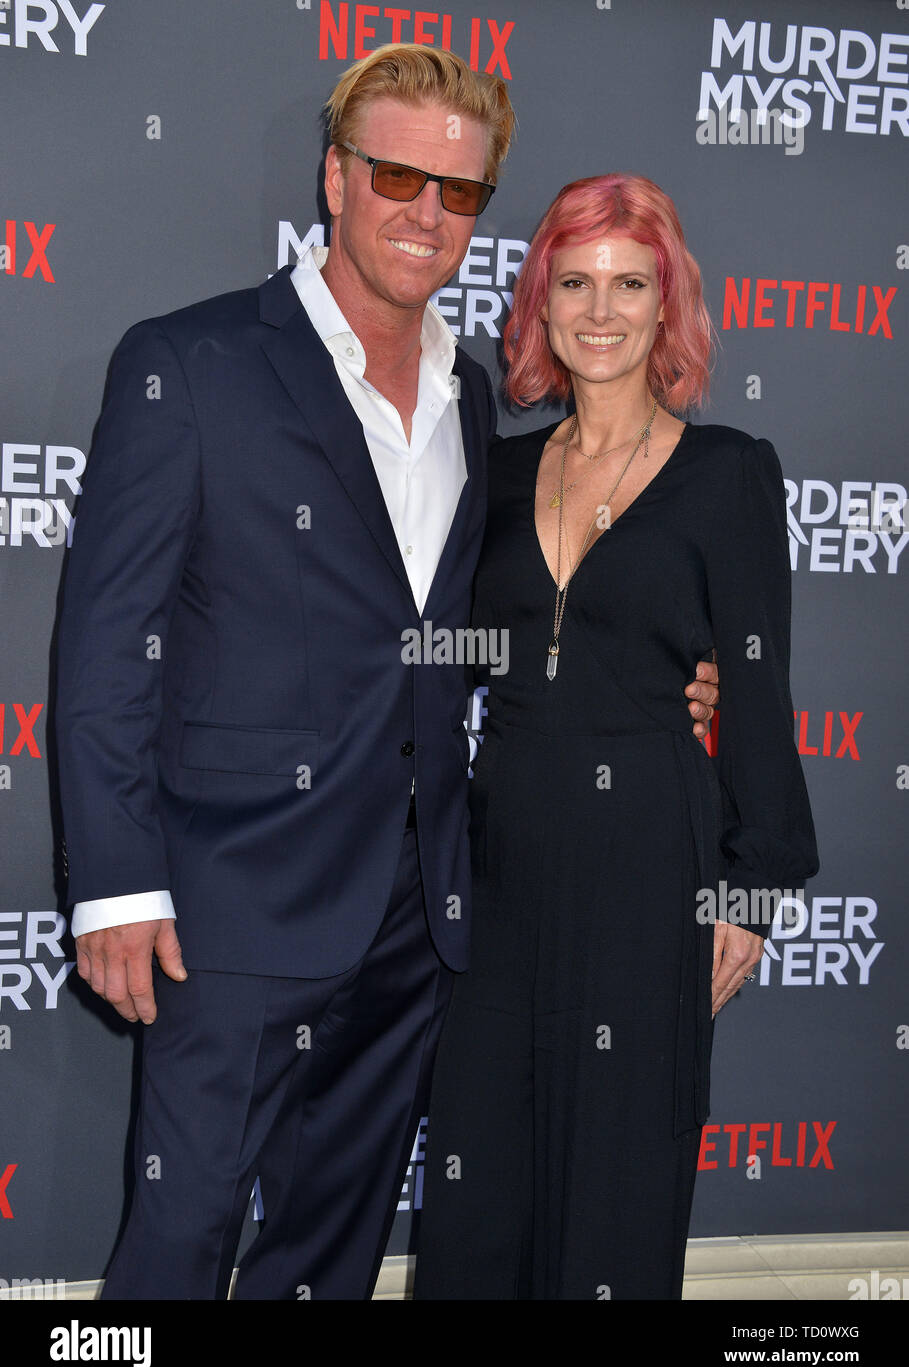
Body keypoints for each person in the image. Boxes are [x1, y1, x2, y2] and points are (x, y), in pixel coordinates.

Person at [55, 45, 716, 1300]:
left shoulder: (471, 395)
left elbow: (450, 635)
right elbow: (103, 642)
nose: (426, 214)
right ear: (335, 177)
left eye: (459, 193)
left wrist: (662, 679)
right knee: (177, 1245)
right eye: (398, 177)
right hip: (224, 907)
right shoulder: (190, 365)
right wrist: (115, 885)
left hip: (418, 915)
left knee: (333, 1250)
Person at [414, 174, 819, 1301]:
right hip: (502, 856)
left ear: (668, 303)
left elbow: (755, 681)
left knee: (618, 1187)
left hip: (653, 855)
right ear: (539, 303)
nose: (603, 310)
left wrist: (749, 888)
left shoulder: (730, 472)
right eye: (577, 282)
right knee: (479, 1179)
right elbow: (441, 662)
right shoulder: (490, 472)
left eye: (631, 284)